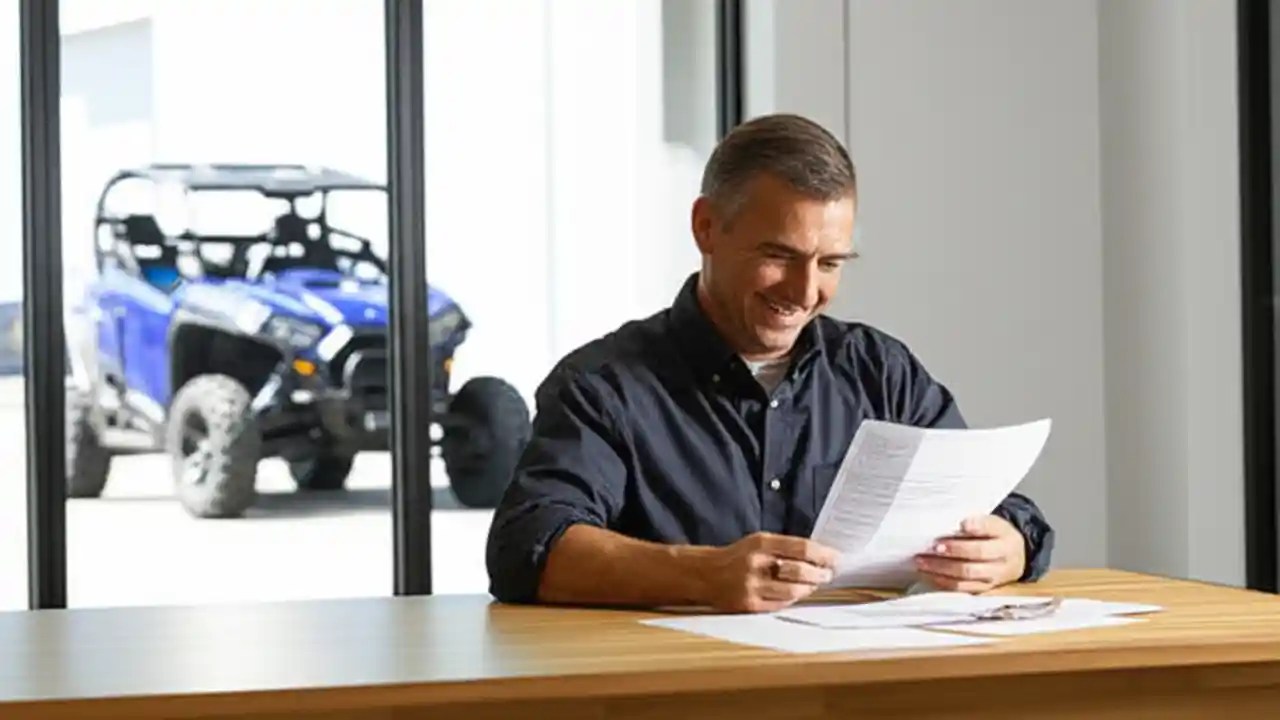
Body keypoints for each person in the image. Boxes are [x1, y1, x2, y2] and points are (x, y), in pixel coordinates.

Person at [485, 113, 1053, 613]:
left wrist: (1008, 547)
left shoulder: (881, 371)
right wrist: (702, 576)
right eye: (779, 256)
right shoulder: (603, 387)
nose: (805, 292)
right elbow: (528, 546)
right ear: (705, 227)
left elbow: (995, 505)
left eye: (830, 263)